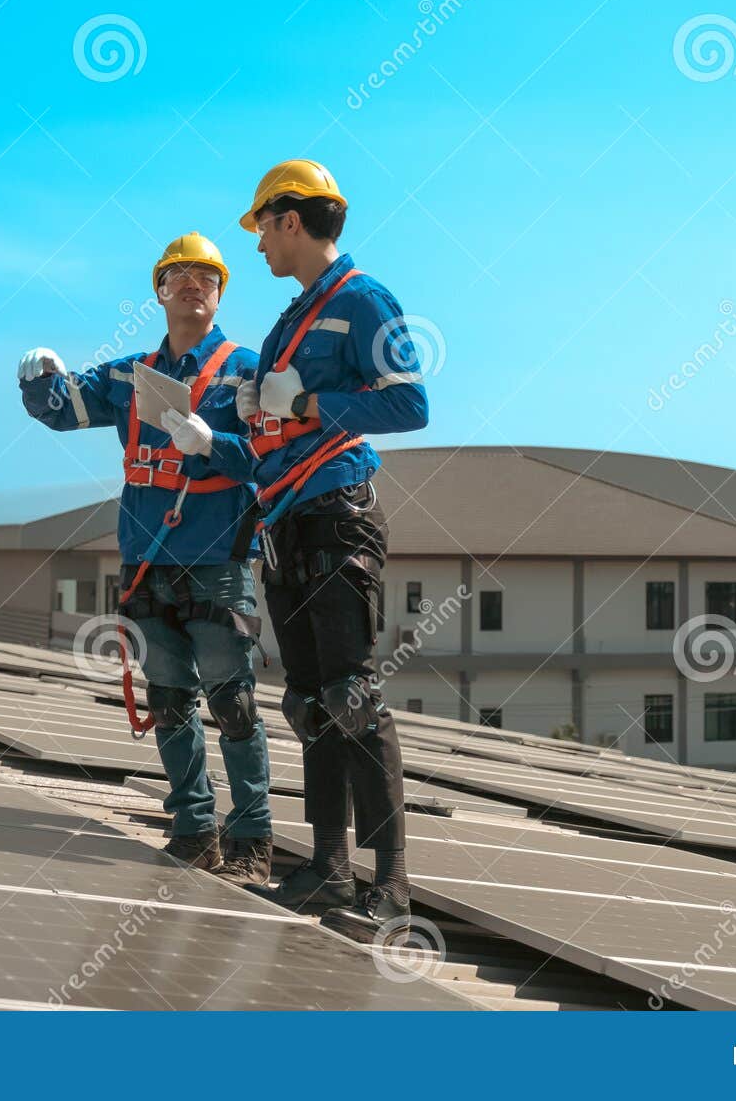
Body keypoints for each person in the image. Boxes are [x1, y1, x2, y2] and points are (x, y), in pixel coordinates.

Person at [17, 232, 273, 885]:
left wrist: (215, 442)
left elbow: (273, 457)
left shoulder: (249, 371)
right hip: (148, 567)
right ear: (159, 291)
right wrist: (37, 382)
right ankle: (193, 830)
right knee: (170, 702)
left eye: (206, 277)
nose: (193, 284)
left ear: (220, 294)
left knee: (234, 703)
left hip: (218, 563)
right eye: (179, 275)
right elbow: (63, 411)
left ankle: (251, 838)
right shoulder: (130, 376)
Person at [235, 160, 428, 940]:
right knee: (311, 703)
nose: (258, 249)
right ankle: (327, 869)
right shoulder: (288, 323)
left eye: (261, 230)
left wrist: (311, 400)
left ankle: (391, 884)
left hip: (339, 516)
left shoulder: (363, 300)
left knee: (352, 696)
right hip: (287, 522)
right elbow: (279, 420)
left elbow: (410, 403)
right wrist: (255, 407)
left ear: (290, 219)